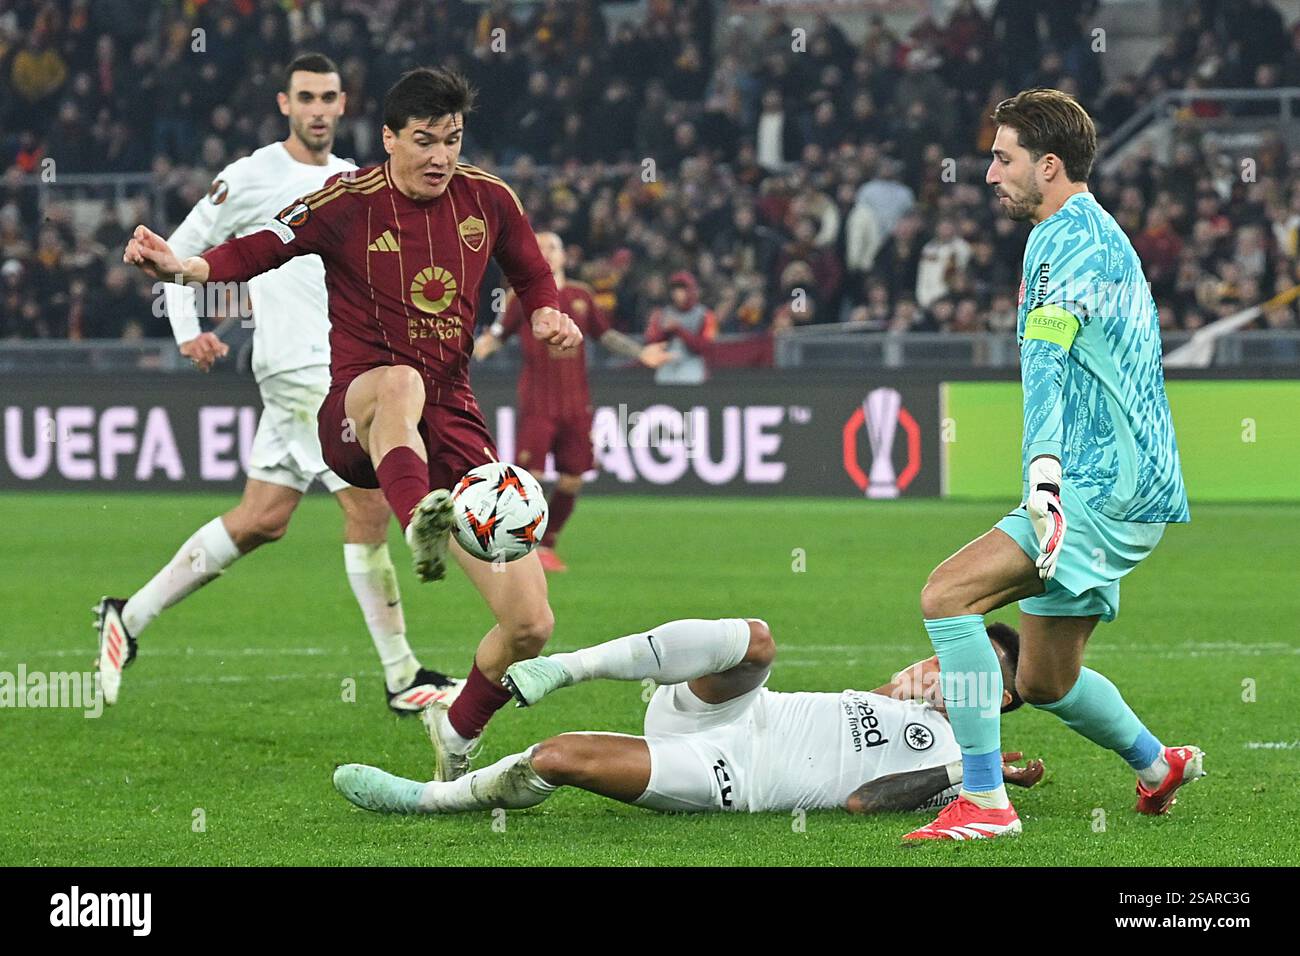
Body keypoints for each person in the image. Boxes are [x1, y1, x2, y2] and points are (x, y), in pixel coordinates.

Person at [122, 67, 582, 782]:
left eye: (452, 141)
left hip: (452, 418)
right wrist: (183, 270)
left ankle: (456, 734)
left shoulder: (487, 198)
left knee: (530, 625)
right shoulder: (346, 201)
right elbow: (257, 249)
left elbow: (531, 271)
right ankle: (418, 521)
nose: (440, 157)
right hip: (357, 414)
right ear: (390, 139)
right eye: (424, 141)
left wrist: (549, 309)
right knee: (397, 381)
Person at [96, 54, 456, 714]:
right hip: (301, 369)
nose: (318, 108)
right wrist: (185, 330)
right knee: (369, 508)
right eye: (306, 97)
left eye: (329, 97)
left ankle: (126, 616)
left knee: (263, 519)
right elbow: (181, 245)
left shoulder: (355, 180)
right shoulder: (253, 175)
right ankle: (403, 676)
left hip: (336, 365)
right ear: (285, 104)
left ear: (344, 105)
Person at [907, 88, 1201, 842]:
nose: (989, 175)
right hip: (1129, 485)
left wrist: (1042, 478)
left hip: (1098, 486)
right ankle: (1155, 763)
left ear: (1048, 165)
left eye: (1002, 159)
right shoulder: (1097, 233)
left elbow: (1046, 358)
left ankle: (984, 802)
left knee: (947, 597)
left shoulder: (1063, 238)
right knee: (1044, 679)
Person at [333, 618, 1044, 818]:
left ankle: (431, 799)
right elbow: (882, 702)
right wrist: (905, 689)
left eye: (970, 668)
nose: (944, 666)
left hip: (731, 774)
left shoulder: (960, 760)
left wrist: (961, 767)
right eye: (953, 654)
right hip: (740, 709)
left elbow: (864, 801)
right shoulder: (901, 699)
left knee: (558, 758)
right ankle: (568, 665)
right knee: (757, 639)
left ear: (999, 700)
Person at [473, 231, 671, 572]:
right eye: (539, 248)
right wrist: (474, 350)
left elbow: (603, 334)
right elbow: (496, 336)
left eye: (553, 247)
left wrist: (641, 352)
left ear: (564, 256)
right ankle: (517, 546)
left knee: (572, 479)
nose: (547, 253)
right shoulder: (520, 298)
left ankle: (547, 544)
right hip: (538, 402)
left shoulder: (581, 295)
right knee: (529, 478)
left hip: (576, 404)